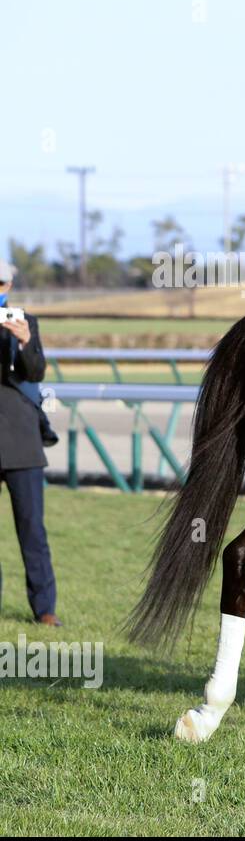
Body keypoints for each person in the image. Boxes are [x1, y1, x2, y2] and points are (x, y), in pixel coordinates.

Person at [0, 260, 61, 626]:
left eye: (2, 282)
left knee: (32, 529)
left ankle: (45, 609)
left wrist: (24, 341)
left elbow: (36, 372)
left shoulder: (25, 321)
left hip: (21, 439)